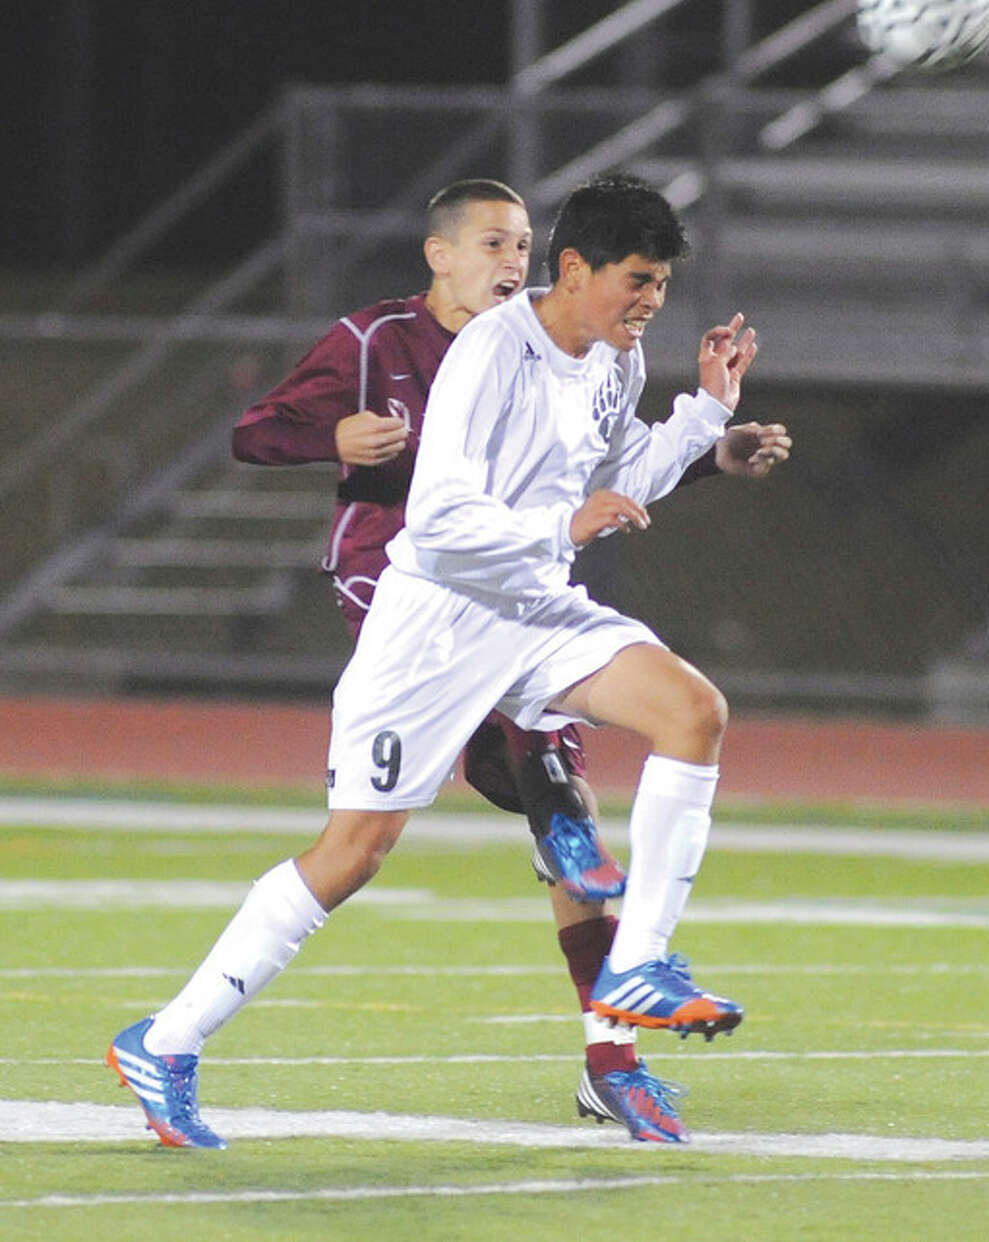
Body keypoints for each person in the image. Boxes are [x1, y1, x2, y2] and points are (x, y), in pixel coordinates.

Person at [108, 173, 788, 1150]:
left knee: (693, 711)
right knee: (352, 853)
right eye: (636, 279)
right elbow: (438, 520)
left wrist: (705, 413)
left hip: (532, 603)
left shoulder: (615, 361)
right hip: (435, 617)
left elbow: (617, 482)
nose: (650, 300)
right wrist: (564, 521)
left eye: (663, 285)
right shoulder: (489, 352)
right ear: (575, 269)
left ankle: (638, 969)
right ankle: (166, 1041)